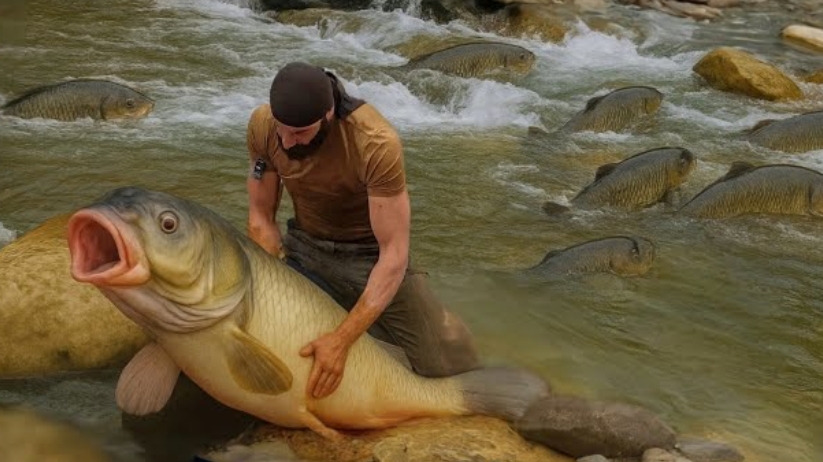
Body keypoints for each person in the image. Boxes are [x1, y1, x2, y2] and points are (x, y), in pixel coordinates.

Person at [245, 61, 479, 400]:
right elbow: (260, 217)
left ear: (328, 116)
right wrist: (271, 282)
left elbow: (394, 256)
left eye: (300, 133)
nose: (287, 141)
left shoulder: (374, 142)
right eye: (282, 129)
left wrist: (340, 342)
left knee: (437, 372)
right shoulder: (264, 126)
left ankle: (434, 318)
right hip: (305, 249)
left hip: (369, 258)